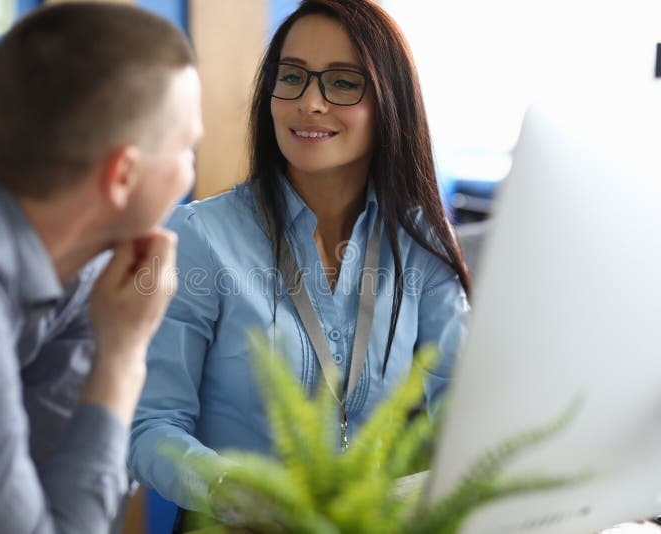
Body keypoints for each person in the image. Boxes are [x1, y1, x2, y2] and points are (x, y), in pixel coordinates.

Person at [128, 0, 470, 520]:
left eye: (341, 82)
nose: (309, 102)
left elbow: (464, 410)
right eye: (292, 77)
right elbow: (152, 427)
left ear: (389, 100)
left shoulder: (420, 240)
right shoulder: (201, 238)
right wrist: (241, 497)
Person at [0, 3, 202, 533]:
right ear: (123, 175)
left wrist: (111, 347)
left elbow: (64, 503)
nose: (190, 168)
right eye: (188, 146)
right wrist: (121, 358)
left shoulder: (86, 270)